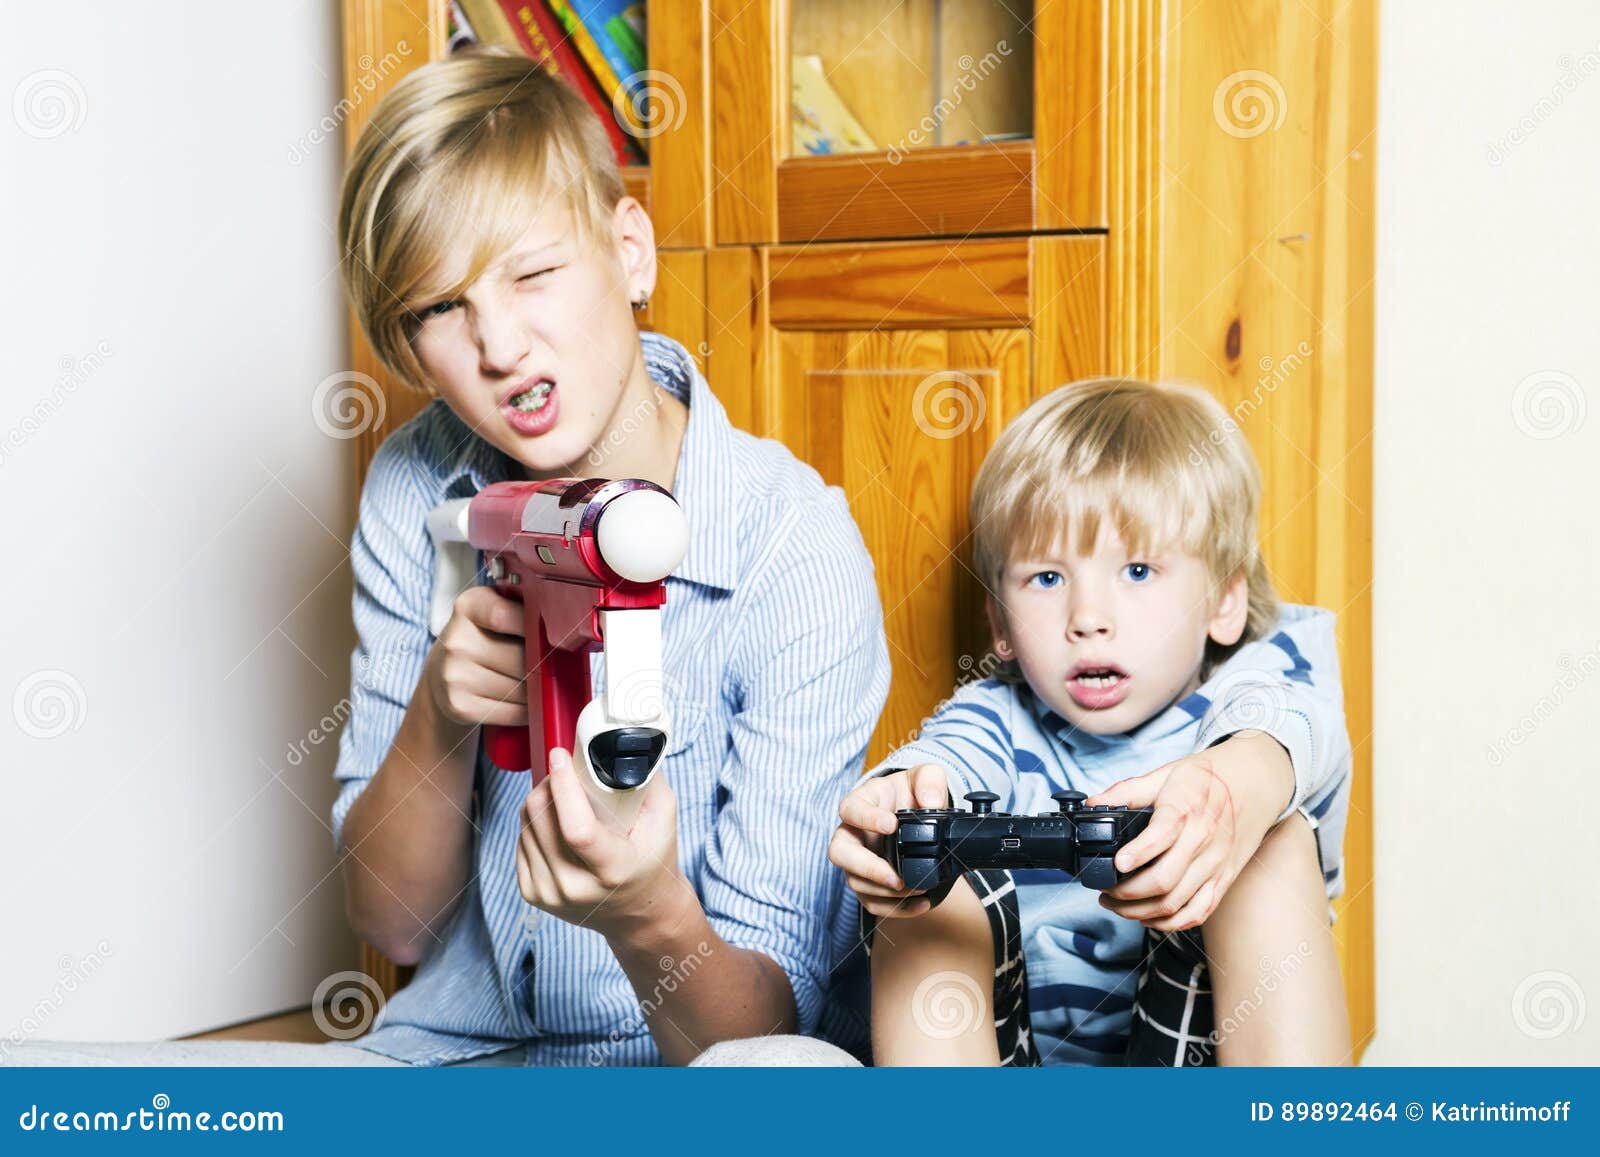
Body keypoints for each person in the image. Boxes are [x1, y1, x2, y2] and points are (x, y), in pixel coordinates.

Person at [3, 47, 888, 1069]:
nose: (501, 344)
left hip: (691, 1071)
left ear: (629, 251)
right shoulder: (418, 487)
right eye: (439, 307)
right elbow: (393, 924)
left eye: (534, 273)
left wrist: (647, 916)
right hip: (453, 1056)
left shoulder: (791, 544)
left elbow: (756, 1036)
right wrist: (438, 712)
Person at [829, 377, 1353, 1066]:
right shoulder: (999, 717)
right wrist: (898, 812)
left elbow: (1288, 725)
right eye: (1047, 578)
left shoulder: (1251, 686)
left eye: (1137, 569)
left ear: (1227, 601)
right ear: (1000, 624)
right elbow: (943, 759)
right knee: (929, 879)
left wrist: (1233, 785)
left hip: (1195, 1075)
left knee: (1268, 835)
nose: (1088, 618)